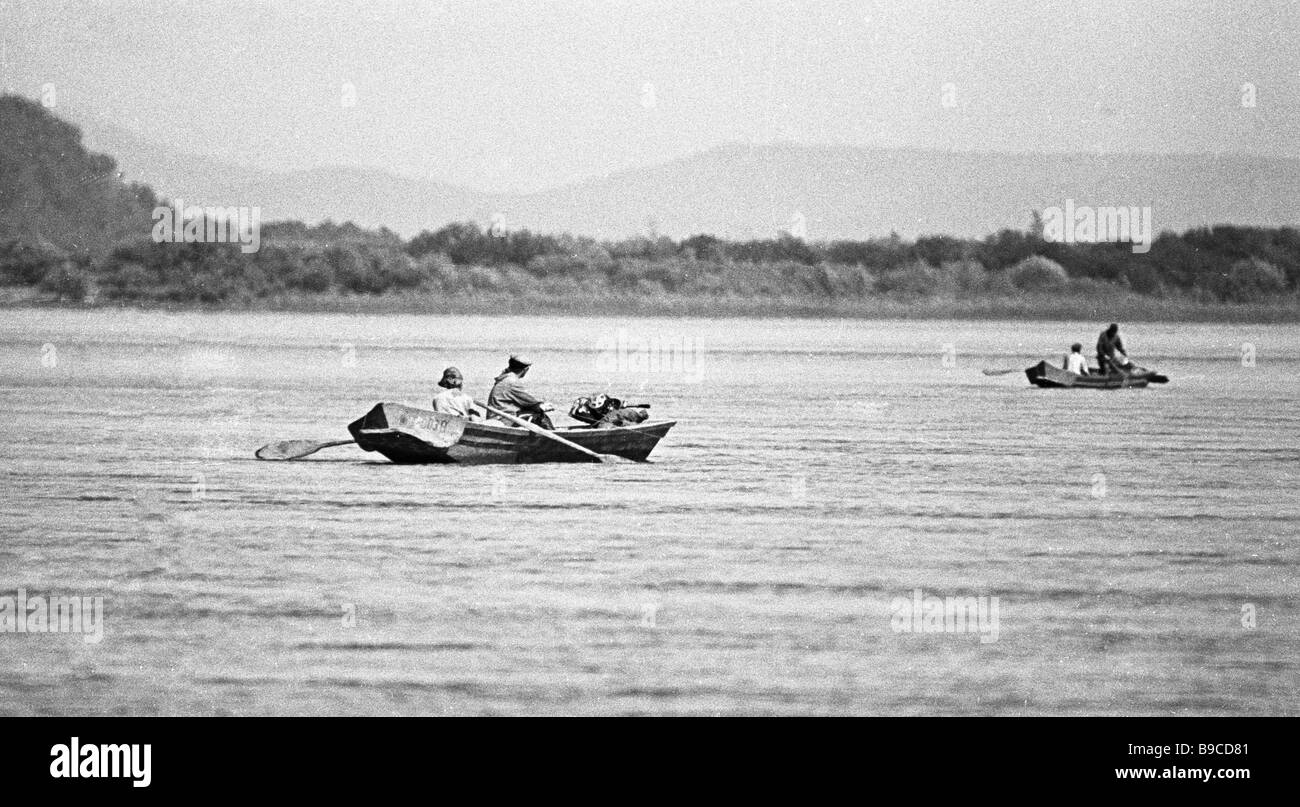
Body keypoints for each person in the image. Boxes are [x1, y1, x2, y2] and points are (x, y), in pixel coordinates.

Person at [486, 354, 555, 429]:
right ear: (525, 370)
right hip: (503, 420)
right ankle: (554, 434)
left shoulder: (504, 378)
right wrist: (543, 406)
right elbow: (531, 402)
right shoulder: (512, 381)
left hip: (497, 417)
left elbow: (526, 402)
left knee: (534, 411)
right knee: (539, 415)